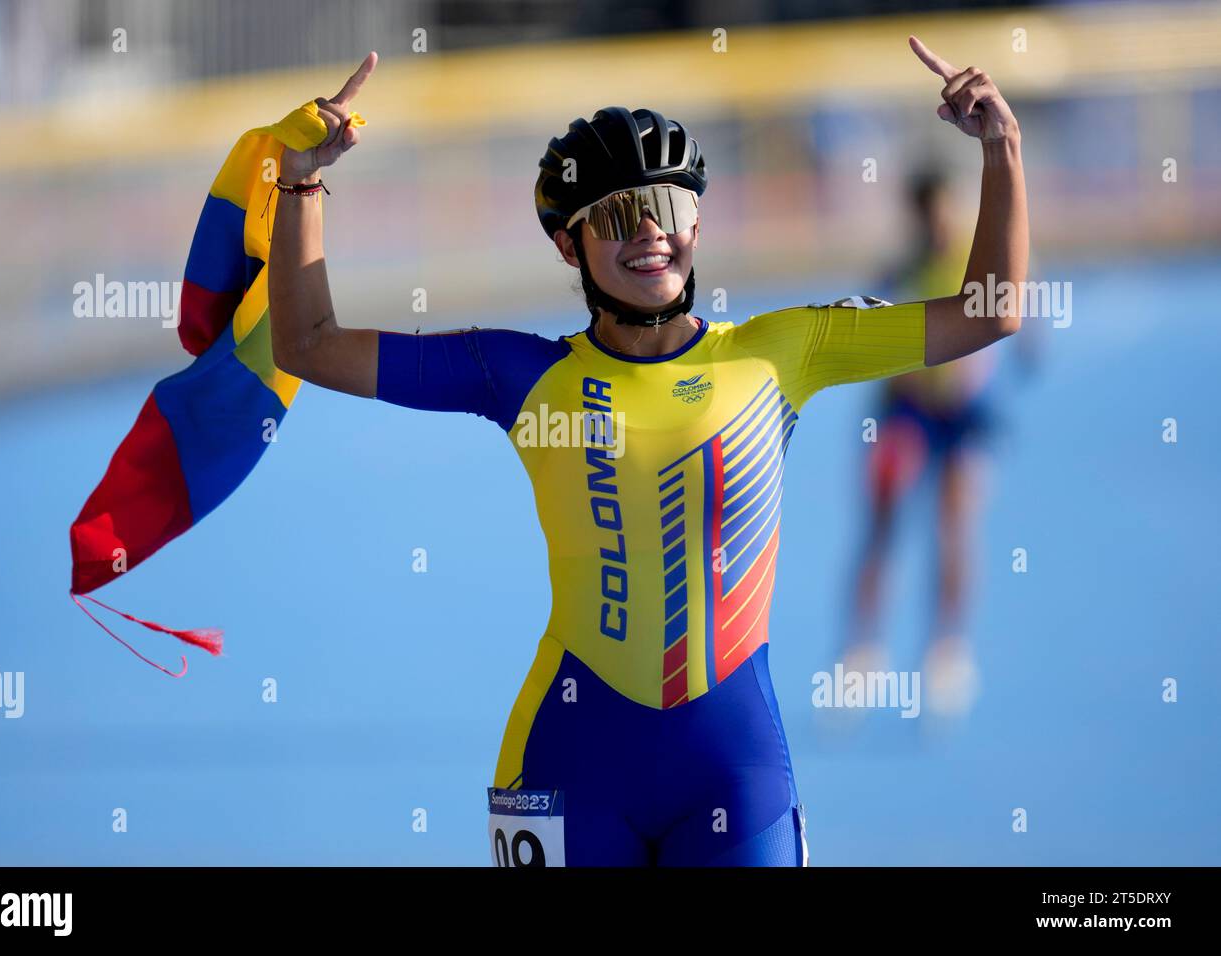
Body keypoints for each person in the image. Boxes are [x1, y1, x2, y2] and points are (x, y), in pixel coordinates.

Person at [267, 37, 1029, 866]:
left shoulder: (784, 350)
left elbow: (989, 312)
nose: (650, 235)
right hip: (569, 764)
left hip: (733, 777)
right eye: (619, 217)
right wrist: (302, 182)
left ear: (696, 221)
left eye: (666, 210)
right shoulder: (519, 373)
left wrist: (1001, 150)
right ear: (569, 248)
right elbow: (309, 344)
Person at [841, 168, 996, 717]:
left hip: (962, 415)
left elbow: (1012, 314)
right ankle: (862, 653)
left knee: (956, 528)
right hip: (906, 413)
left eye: (944, 210)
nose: (939, 222)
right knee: (883, 527)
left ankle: (948, 650)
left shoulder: (979, 260)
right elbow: (865, 324)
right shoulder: (900, 268)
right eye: (928, 213)